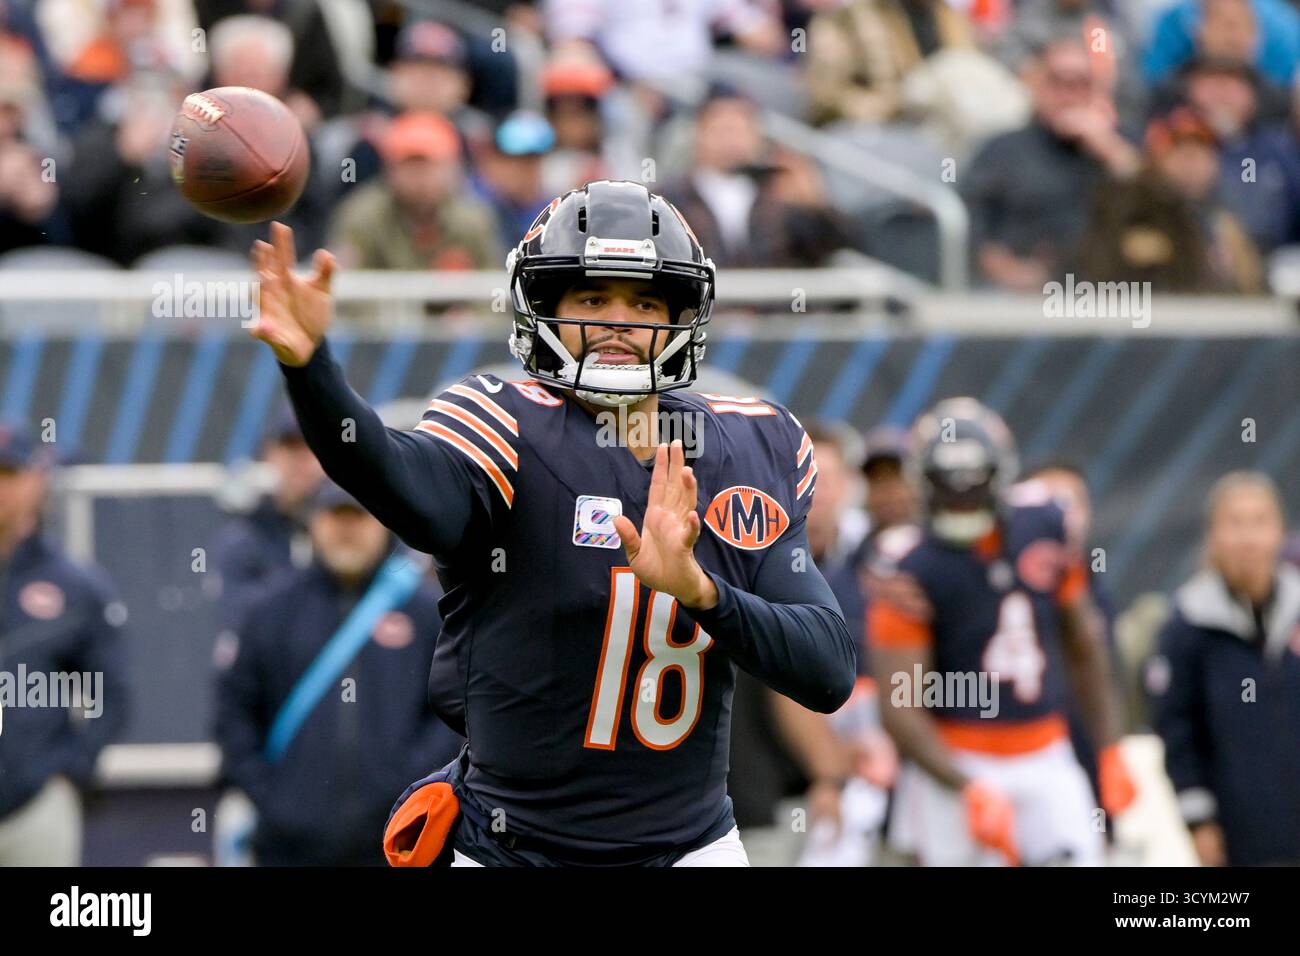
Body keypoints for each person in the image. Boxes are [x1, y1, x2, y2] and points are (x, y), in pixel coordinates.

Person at [248, 179, 856, 866]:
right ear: (544, 308)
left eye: (645, 300)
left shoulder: (750, 446)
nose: (620, 320)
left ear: (683, 313)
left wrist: (703, 593)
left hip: (690, 848)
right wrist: (313, 373)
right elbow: (398, 481)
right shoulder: (505, 421)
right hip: (516, 848)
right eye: (593, 297)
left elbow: (826, 669)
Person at [867, 398, 1135, 866]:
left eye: (974, 485)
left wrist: (1110, 747)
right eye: (948, 486)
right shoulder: (905, 563)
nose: (963, 499)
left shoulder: (1045, 521)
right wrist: (965, 785)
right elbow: (900, 704)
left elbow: (1086, 648)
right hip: (956, 755)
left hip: (1047, 751)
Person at [214, 479, 460, 866]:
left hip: (398, 841)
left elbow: (452, 714)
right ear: (313, 522)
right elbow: (234, 712)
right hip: (290, 847)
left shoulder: (428, 611)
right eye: (335, 516)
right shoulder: (270, 612)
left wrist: (409, 786)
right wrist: (274, 798)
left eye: (360, 517)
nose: (347, 530)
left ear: (383, 524)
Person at [1147, 472, 1300, 866]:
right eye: (1235, 523)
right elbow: (1177, 733)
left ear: (1280, 531)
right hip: (1243, 837)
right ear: (1213, 535)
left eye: (1259, 521)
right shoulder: (1188, 626)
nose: (1248, 538)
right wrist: (1199, 821)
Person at [0, 423, 129, 865]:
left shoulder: (74, 584)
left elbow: (110, 691)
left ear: (36, 480)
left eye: (8, 473)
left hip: (34, 806)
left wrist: (71, 770)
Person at [962, 34, 1140, 290]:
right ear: (1037, 86)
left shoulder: (1122, 144)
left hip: (1115, 295)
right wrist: (1006, 271)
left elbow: (1166, 207)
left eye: (1081, 84)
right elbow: (969, 224)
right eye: (1057, 82)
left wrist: (1109, 150)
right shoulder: (1002, 150)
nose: (1068, 95)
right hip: (1022, 299)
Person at [329, 111, 500, 272]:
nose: (420, 177)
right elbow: (349, 287)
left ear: (453, 169)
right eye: (409, 166)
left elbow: (492, 286)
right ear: (389, 169)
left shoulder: (473, 220)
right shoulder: (362, 216)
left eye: (430, 166)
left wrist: (471, 305)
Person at [209, 405, 323, 631]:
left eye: (312, 444)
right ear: (270, 453)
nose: (302, 458)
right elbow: (241, 621)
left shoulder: (359, 527)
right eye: (291, 445)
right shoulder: (243, 539)